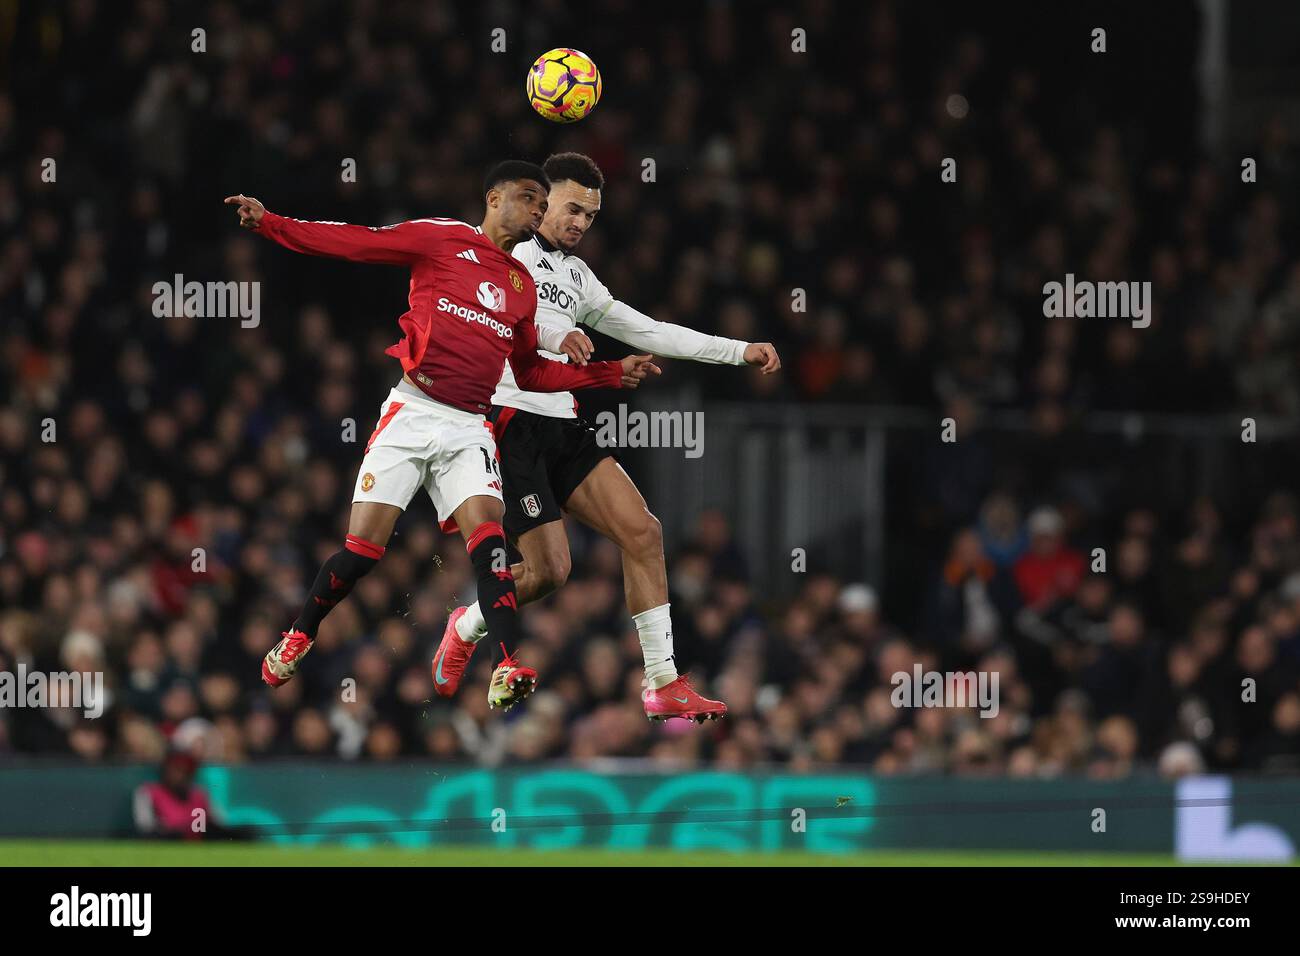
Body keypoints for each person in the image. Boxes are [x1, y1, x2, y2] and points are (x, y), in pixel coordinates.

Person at [223, 161, 660, 712]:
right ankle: (301, 632)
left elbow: (530, 374)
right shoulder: (442, 239)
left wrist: (610, 374)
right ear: (493, 196)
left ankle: (505, 663)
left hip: (469, 427)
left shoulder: (521, 287)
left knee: (493, 549)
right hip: (412, 410)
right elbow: (355, 243)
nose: (538, 210)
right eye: (529, 198)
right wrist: (271, 224)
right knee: (362, 552)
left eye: (542, 202)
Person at [430, 152, 782, 722]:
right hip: (505, 420)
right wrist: (556, 330)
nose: (578, 223)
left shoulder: (577, 276)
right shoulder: (502, 250)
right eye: (571, 209)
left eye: (590, 216)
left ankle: (663, 681)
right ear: (539, 202)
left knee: (643, 531)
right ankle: (466, 623)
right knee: (549, 573)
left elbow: (649, 330)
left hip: (563, 421)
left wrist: (737, 351)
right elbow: (495, 315)